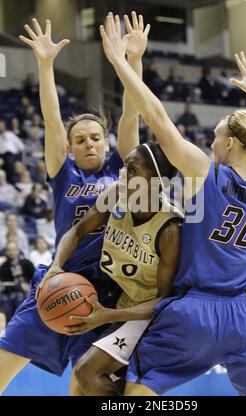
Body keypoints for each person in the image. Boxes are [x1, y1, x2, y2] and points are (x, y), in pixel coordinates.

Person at [100, 14, 246, 396]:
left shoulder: (209, 175)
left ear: (232, 144)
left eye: (216, 137)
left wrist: (120, 62)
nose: (211, 142)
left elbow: (157, 117)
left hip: (195, 311)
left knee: (139, 393)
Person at [0, 15, 147, 396]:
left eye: (96, 137)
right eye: (79, 139)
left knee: (86, 386)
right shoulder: (63, 174)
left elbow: (131, 112)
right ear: (70, 147)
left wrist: (133, 61)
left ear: (107, 141)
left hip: (106, 294)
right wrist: (45, 65)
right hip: (57, 282)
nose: (88, 144)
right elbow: (51, 119)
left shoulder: (123, 168)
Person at [41, 139, 182, 396]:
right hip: (121, 302)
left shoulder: (170, 229)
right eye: (125, 168)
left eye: (133, 172)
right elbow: (77, 231)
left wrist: (106, 315)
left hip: (150, 316)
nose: (124, 176)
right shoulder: (116, 194)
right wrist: (56, 265)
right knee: (80, 387)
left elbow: (164, 299)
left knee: (86, 372)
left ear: (154, 183)